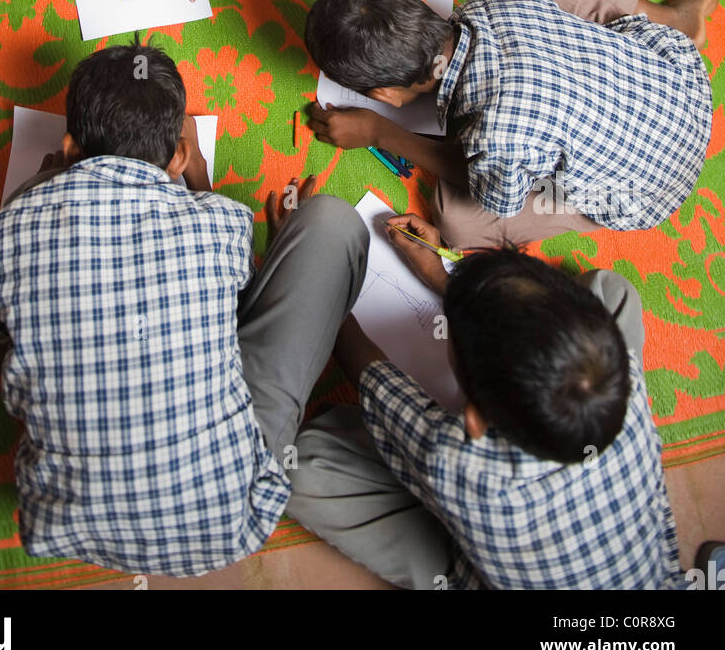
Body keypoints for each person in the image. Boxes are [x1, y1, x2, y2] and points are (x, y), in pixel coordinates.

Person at [0, 44, 370, 577]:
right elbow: (237, 311)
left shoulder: (8, 228)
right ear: (179, 157)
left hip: (64, 523)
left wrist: (35, 194)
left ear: (68, 149)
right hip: (234, 519)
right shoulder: (221, 219)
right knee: (332, 224)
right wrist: (204, 189)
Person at [287, 247, 687, 591]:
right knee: (611, 291)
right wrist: (443, 277)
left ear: (472, 421)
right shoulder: (621, 369)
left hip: (485, 569)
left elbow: (371, 375)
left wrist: (322, 283)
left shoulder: (457, 459)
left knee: (305, 464)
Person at [305, 0, 718, 249]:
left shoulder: (496, 137)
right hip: (679, 77)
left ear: (387, 96)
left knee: (455, 220)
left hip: (651, 188)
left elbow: (495, 196)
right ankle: (663, 17)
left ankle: (672, 18)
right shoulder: (488, 7)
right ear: (419, 0)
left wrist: (382, 132)